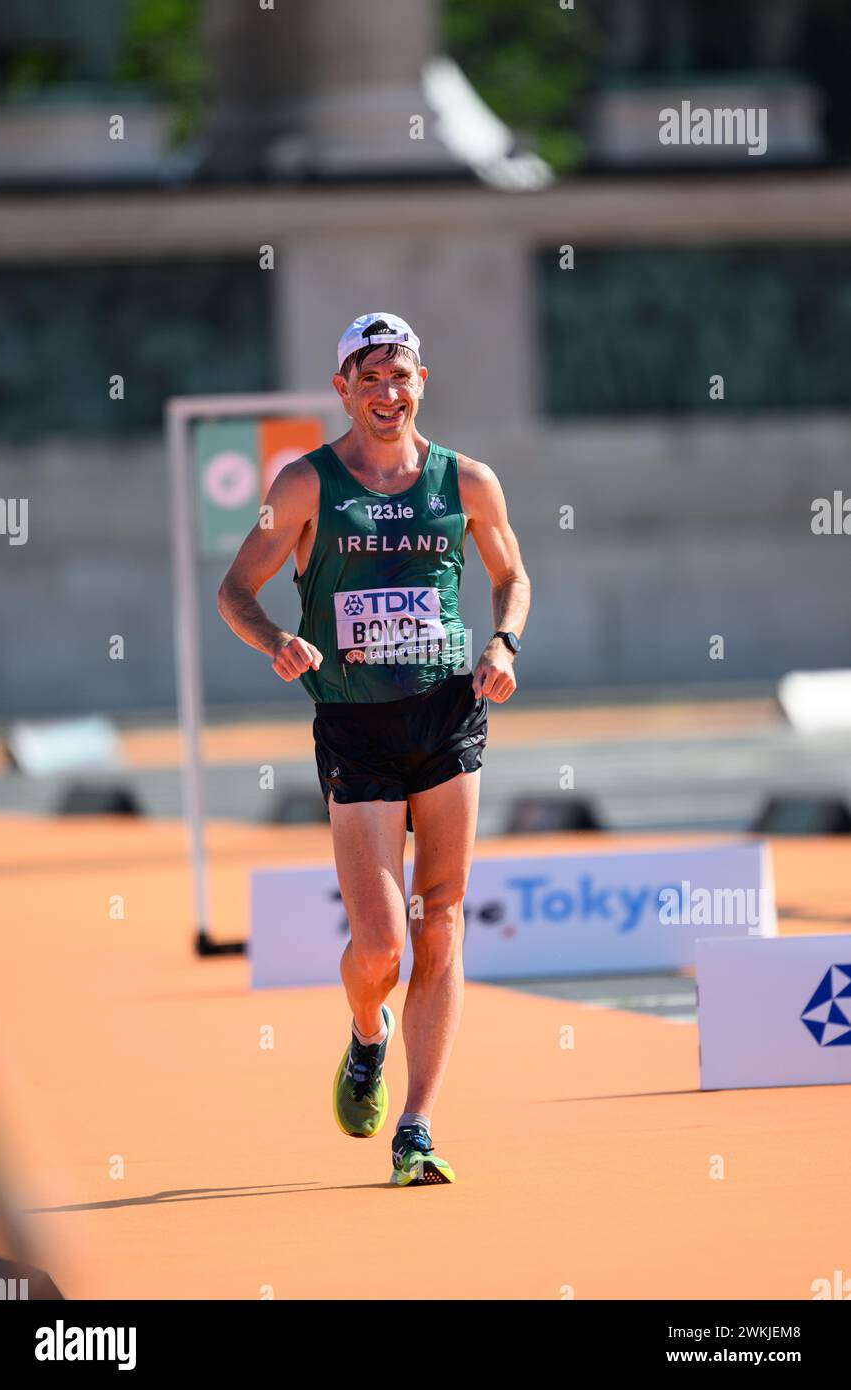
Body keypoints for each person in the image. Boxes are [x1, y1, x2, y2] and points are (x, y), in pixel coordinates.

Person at [218, 313, 530, 1184]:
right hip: (354, 724)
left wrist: (502, 644)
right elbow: (236, 591)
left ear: (421, 381)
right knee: (383, 947)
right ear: (343, 390)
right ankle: (366, 1035)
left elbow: (512, 576)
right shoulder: (305, 485)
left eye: (401, 377)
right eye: (371, 379)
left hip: (446, 714)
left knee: (444, 918)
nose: (387, 394)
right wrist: (275, 639)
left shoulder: (467, 482)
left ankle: (419, 1127)